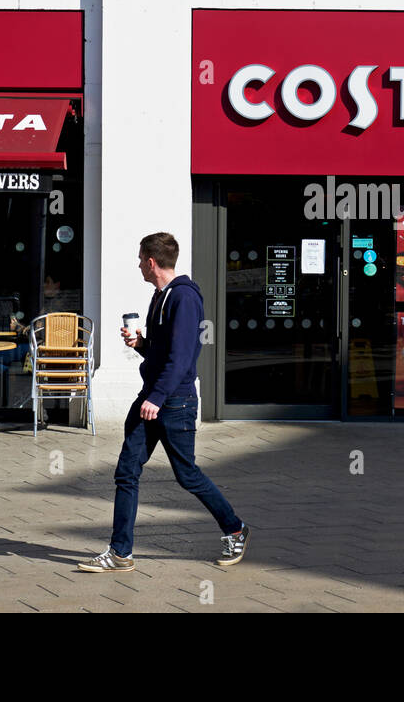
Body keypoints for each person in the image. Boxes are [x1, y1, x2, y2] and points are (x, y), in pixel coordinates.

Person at [78, 232, 249, 572]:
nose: (138, 264)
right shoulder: (161, 296)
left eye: (141, 259)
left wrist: (156, 398)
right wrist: (140, 343)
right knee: (127, 471)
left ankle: (235, 528)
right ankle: (120, 553)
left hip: (174, 402)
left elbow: (182, 358)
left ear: (152, 262)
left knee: (187, 475)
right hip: (154, 398)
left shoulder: (183, 298)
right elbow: (163, 352)